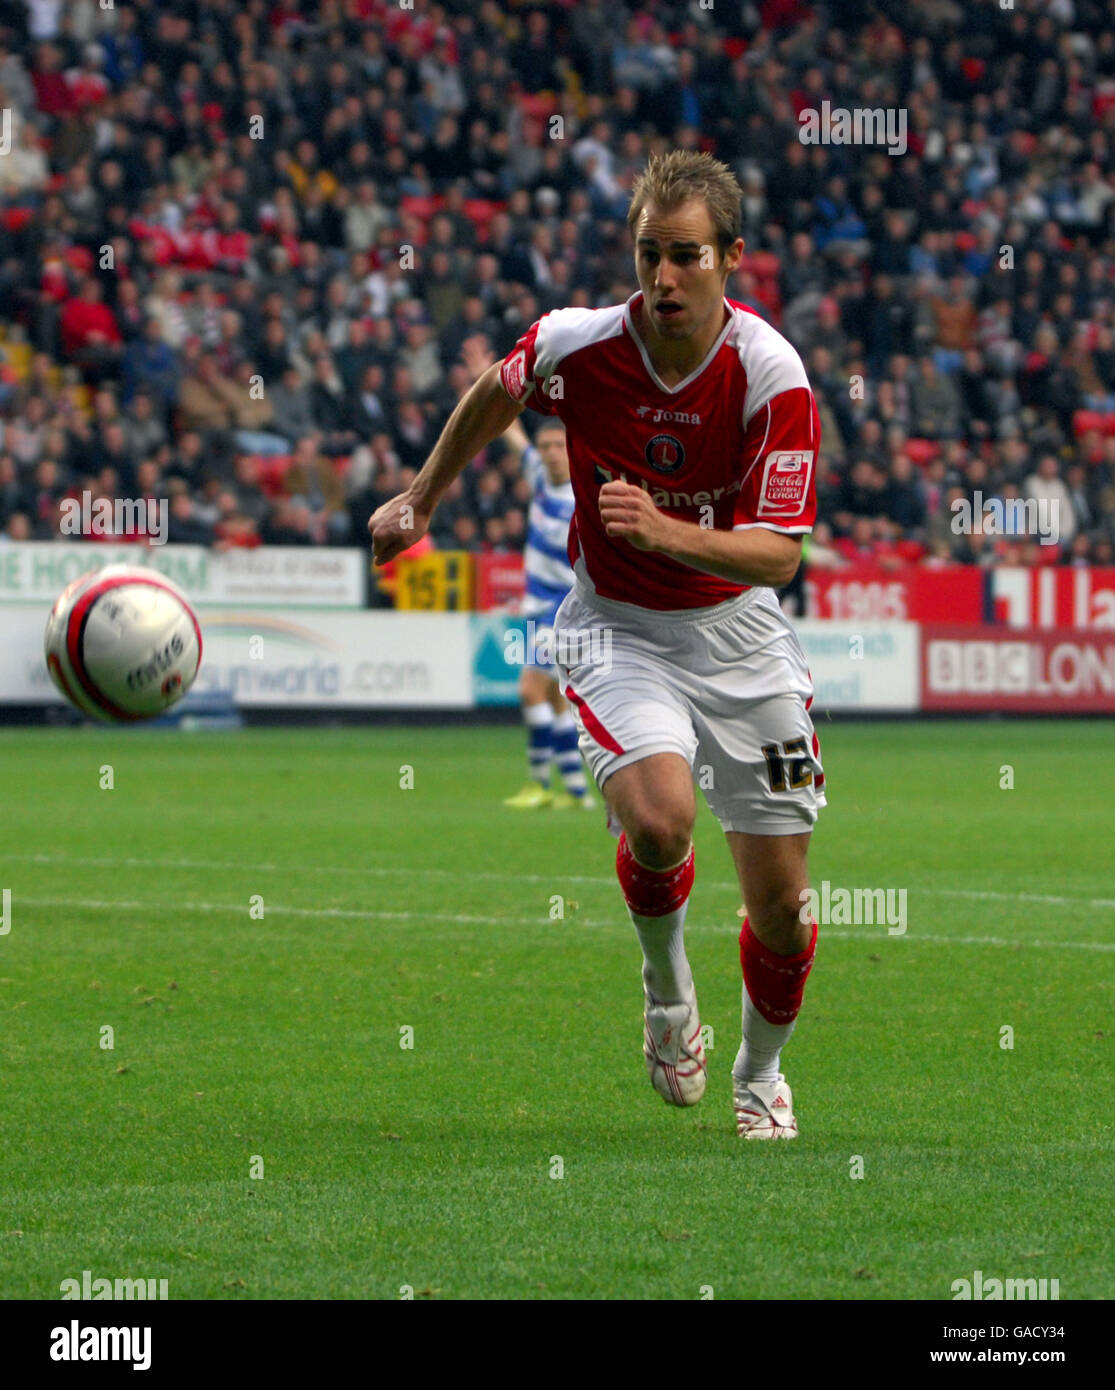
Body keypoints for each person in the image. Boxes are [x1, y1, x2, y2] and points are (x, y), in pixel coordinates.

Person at [370, 151, 826, 1140]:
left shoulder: (770, 375)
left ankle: (758, 1073)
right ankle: (667, 999)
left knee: (783, 904)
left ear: (730, 259)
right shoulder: (579, 345)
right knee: (659, 823)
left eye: (686, 258)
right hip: (620, 629)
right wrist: (421, 495)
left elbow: (777, 555)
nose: (662, 279)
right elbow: (498, 388)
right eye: (648, 255)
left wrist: (668, 530)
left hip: (740, 638)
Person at [499, 414, 593, 811]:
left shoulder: (581, 500)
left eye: (560, 447)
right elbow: (513, 435)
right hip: (539, 606)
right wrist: (489, 384)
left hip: (559, 608)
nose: (552, 454)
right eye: (547, 447)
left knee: (528, 689)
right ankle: (575, 791)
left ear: (572, 452)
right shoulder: (539, 474)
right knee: (556, 700)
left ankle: (539, 784)